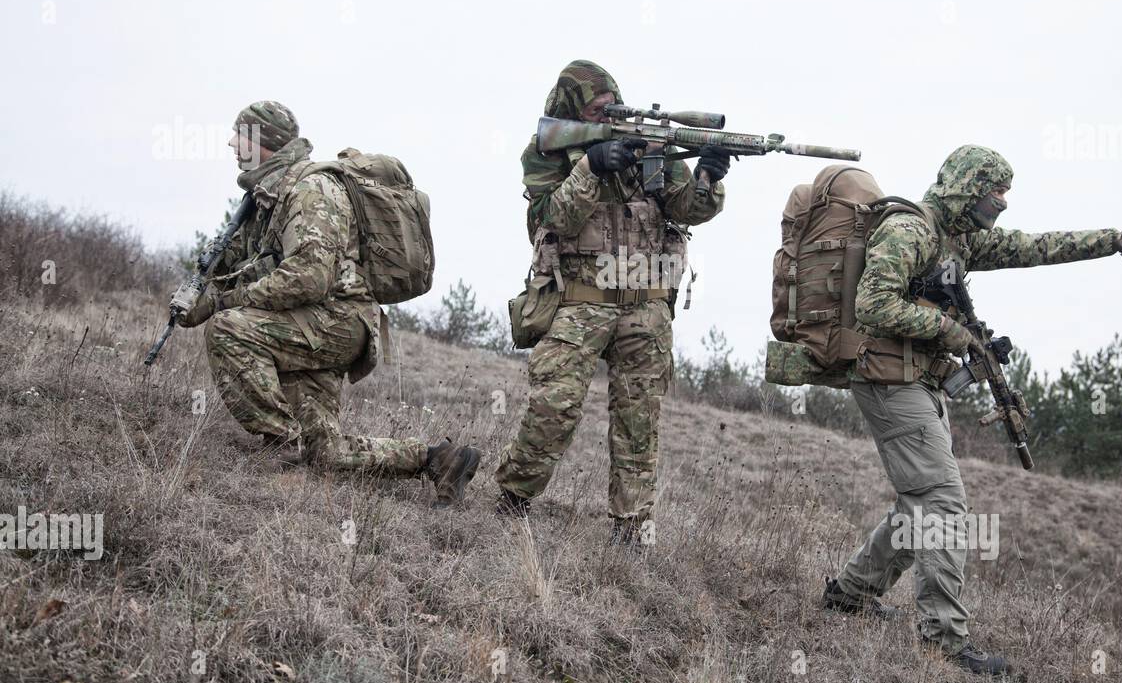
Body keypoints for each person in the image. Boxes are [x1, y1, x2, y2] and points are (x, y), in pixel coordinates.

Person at [823, 144, 1122, 675]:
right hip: (886, 381)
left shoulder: (958, 241)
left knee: (918, 503)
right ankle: (944, 641)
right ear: (967, 186)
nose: (1003, 204)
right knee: (942, 504)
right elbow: (873, 304)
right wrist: (953, 331)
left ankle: (850, 595)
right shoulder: (911, 231)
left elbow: (1039, 247)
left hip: (917, 382)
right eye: (996, 192)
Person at [169, 100, 481, 504]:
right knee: (325, 450)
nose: (231, 143)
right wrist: (200, 297)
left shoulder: (309, 190)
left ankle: (278, 445)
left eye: (239, 135)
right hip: (312, 323)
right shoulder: (267, 196)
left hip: (335, 322)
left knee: (229, 329)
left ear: (261, 141)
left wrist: (224, 304)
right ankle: (439, 459)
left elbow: (309, 277)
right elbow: (245, 265)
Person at [494, 61, 728, 545]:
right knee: (554, 405)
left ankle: (632, 527)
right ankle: (514, 497)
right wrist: (592, 165)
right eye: (598, 109)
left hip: (646, 303)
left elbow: (689, 211)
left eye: (613, 107)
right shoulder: (548, 150)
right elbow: (549, 219)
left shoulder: (654, 150)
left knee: (639, 420)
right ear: (574, 110)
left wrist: (708, 177)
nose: (610, 115)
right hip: (580, 298)